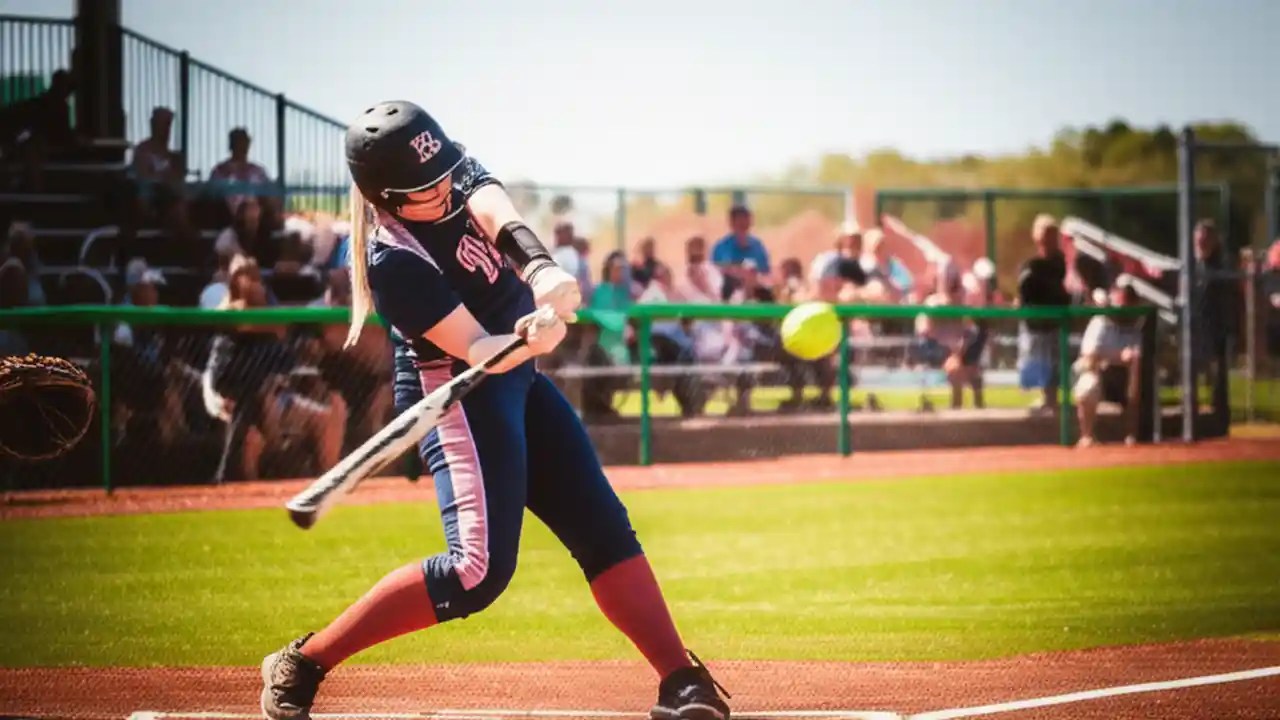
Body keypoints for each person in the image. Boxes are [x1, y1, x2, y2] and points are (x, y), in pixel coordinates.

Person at [258, 101, 731, 720]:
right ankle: (305, 660)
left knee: (601, 526)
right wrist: (523, 340)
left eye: (445, 171)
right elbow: (476, 350)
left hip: (519, 377)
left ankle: (681, 679)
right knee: (475, 573)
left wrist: (540, 271)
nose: (444, 186)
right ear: (390, 199)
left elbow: (494, 209)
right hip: (460, 390)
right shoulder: (393, 260)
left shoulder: (449, 172)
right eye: (425, 188)